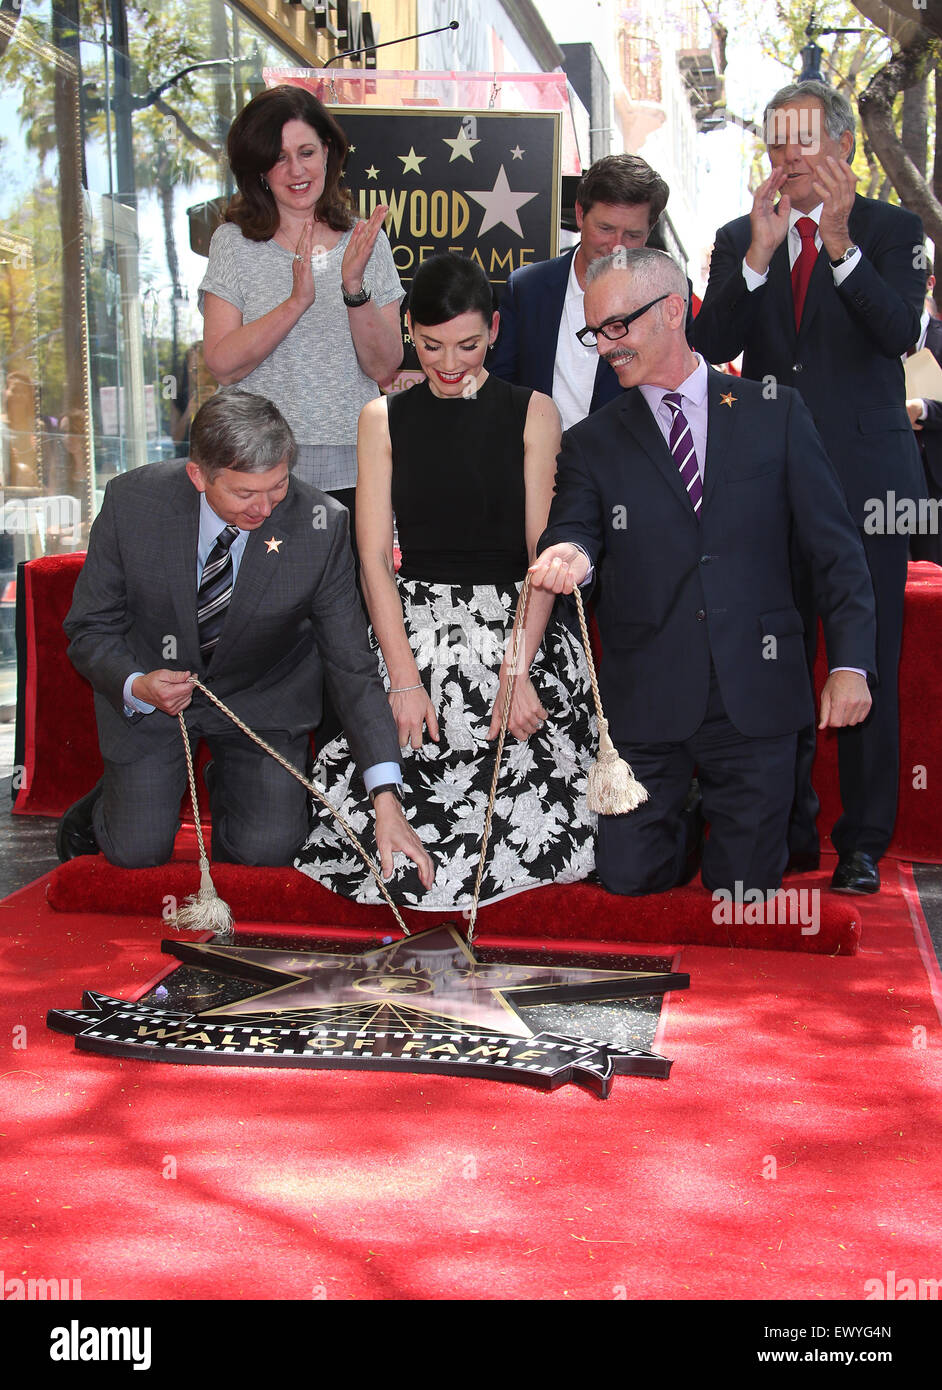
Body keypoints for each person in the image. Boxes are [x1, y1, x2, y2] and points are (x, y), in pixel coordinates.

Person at [530, 249, 876, 900]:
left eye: (616, 326)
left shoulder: (775, 412)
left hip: (757, 694)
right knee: (631, 880)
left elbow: (838, 549)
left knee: (744, 892)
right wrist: (571, 554)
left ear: (670, 310)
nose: (605, 346)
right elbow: (573, 526)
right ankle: (685, 817)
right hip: (647, 699)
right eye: (593, 330)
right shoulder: (590, 441)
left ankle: (759, 823)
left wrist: (851, 665)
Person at [294, 254, 597, 908]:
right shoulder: (382, 418)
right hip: (416, 626)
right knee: (396, 791)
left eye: (467, 343)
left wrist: (516, 672)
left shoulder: (533, 413)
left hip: (519, 619)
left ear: (494, 331)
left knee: (525, 793)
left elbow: (540, 559)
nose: (450, 361)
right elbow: (373, 556)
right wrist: (401, 678)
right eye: (430, 346)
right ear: (408, 329)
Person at [692, 80, 925, 895]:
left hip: (869, 489)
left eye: (804, 142)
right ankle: (785, 828)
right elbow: (709, 341)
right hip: (765, 487)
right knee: (773, 664)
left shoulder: (894, 232)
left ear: (844, 150)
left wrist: (838, 246)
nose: (788, 158)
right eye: (776, 142)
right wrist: (757, 257)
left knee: (867, 663)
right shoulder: (737, 237)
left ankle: (863, 841)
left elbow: (898, 332)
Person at [57, 391, 434, 887]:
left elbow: (351, 667)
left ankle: (231, 782)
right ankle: (107, 803)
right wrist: (136, 684)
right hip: (153, 694)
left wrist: (385, 797)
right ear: (198, 476)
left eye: (276, 486)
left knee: (268, 849)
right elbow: (90, 626)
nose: (264, 508)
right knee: (136, 850)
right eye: (243, 494)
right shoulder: (133, 503)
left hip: (262, 700)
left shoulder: (320, 525)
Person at [199, 84, 404, 543]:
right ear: (258, 169)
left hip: (353, 462)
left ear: (329, 153)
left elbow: (385, 366)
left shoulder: (367, 241)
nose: (296, 170)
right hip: (255, 468)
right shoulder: (233, 243)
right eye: (278, 157)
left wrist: (354, 289)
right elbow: (222, 361)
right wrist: (296, 302)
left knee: (347, 606)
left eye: (306, 152)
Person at [488, 154, 673, 429]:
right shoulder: (528, 289)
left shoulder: (666, 297)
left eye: (632, 235)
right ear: (579, 214)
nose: (617, 247)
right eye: (605, 228)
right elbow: (500, 390)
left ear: (650, 230)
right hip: (538, 464)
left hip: (624, 466)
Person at [908, 275, 942, 566]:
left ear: (929, 283)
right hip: (880, 474)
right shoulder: (865, 335)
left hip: (934, 480)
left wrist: (923, 409)